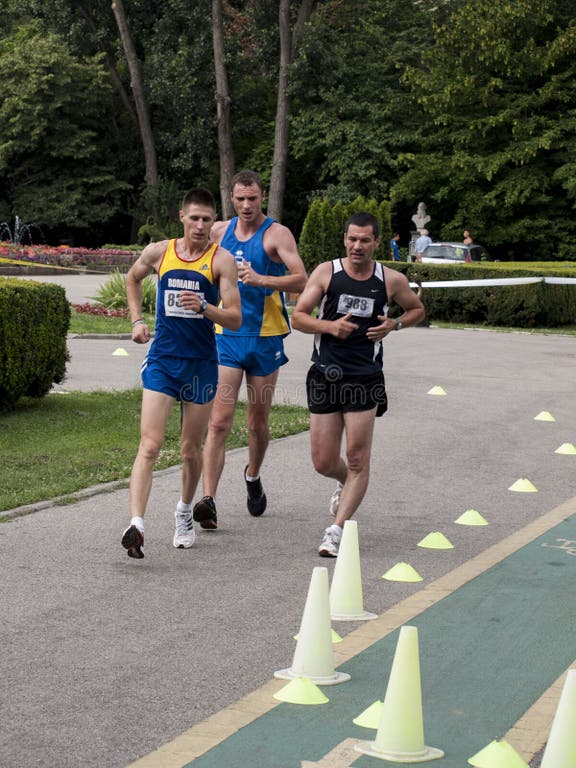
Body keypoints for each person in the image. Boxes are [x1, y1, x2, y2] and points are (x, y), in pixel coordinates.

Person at [291, 212, 425, 557]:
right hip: (325, 374)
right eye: (352, 239)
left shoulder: (390, 279)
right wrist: (330, 327)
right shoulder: (327, 272)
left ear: (376, 242)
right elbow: (300, 316)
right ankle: (344, 483)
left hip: (364, 377)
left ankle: (335, 529)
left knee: (356, 458)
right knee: (323, 461)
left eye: (365, 240)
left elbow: (416, 310)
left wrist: (393, 325)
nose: (357, 246)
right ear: (345, 239)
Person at [120, 188, 242, 559]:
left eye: (207, 219)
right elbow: (132, 279)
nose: (201, 225)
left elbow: (234, 318)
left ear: (212, 222)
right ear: (182, 217)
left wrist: (206, 307)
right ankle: (136, 525)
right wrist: (138, 319)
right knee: (151, 445)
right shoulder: (160, 252)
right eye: (195, 218)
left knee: (190, 450)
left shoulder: (221, 261)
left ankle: (184, 511)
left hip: (201, 365)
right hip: (162, 361)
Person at [193, 170, 307, 529]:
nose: (246, 205)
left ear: (262, 197)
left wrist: (262, 279)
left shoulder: (277, 234)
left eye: (252, 199)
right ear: (231, 197)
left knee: (257, 424)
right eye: (240, 199)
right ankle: (208, 500)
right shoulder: (218, 231)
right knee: (219, 421)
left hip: (265, 338)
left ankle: (253, 475)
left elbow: (302, 278)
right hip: (226, 336)